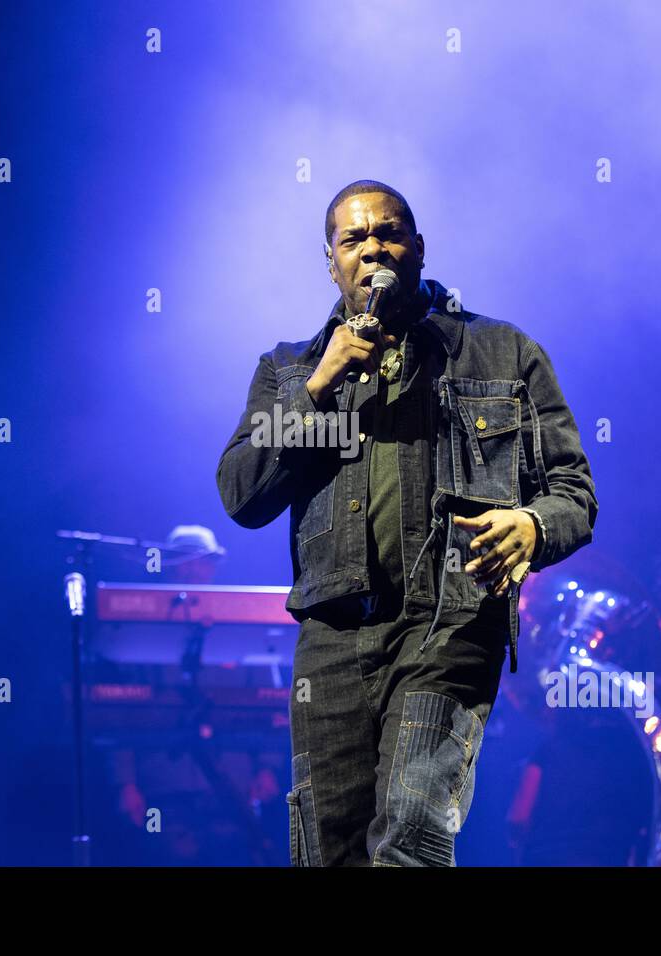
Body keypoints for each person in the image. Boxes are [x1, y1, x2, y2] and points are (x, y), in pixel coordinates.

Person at [216, 180, 598, 865]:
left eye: (388, 234)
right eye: (353, 239)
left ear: (417, 248)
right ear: (330, 262)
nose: (373, 250)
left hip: (445, 630)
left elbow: (574, 492)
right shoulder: (290, 369)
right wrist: (317, 387)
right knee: (328, 856)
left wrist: (533, 527)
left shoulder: (503, 354)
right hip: (332, 640)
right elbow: (242, 495)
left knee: (409, 843)